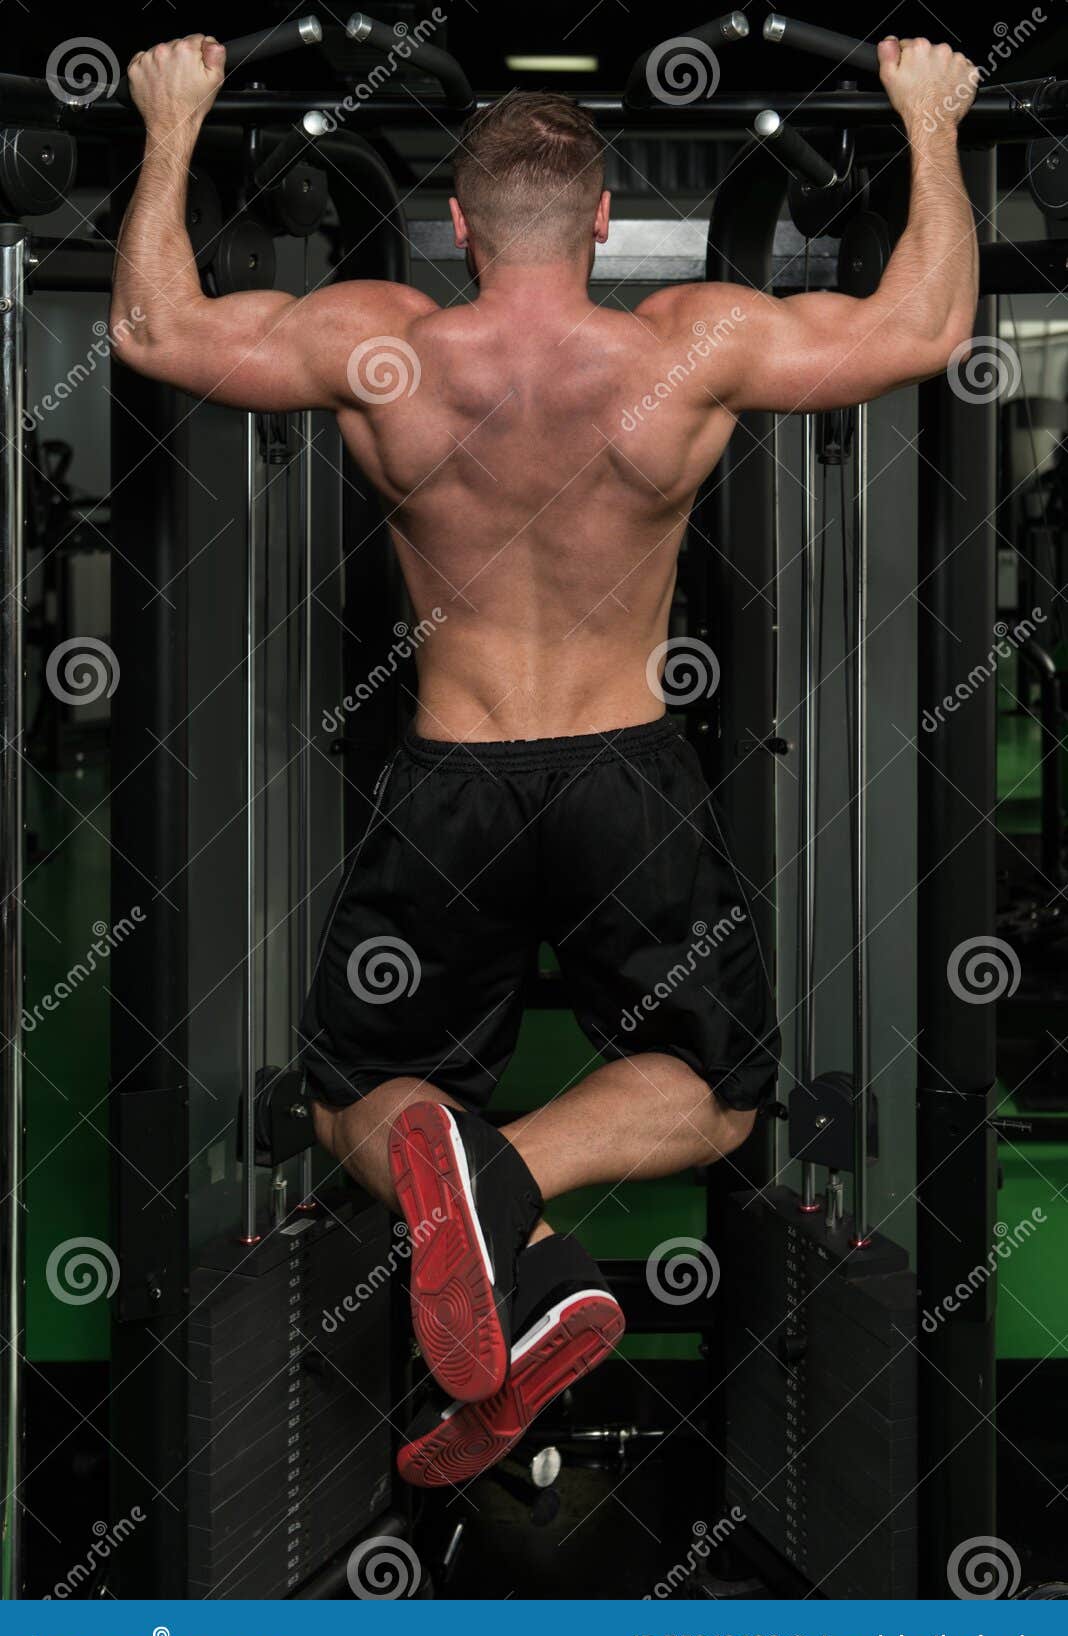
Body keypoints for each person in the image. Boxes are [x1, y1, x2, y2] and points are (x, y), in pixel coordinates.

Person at [113, 32, 979, 1486]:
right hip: (626, 778)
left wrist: (173, 120)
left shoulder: (383, 343)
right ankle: (507, 1207)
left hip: (449, 773)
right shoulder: (685, 350)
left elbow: (151, 326)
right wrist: (934, 123)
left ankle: (481, 1185)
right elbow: (919, 328)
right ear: (598, 222)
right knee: (717, 1093)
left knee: (351, 1095)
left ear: (456, 227)